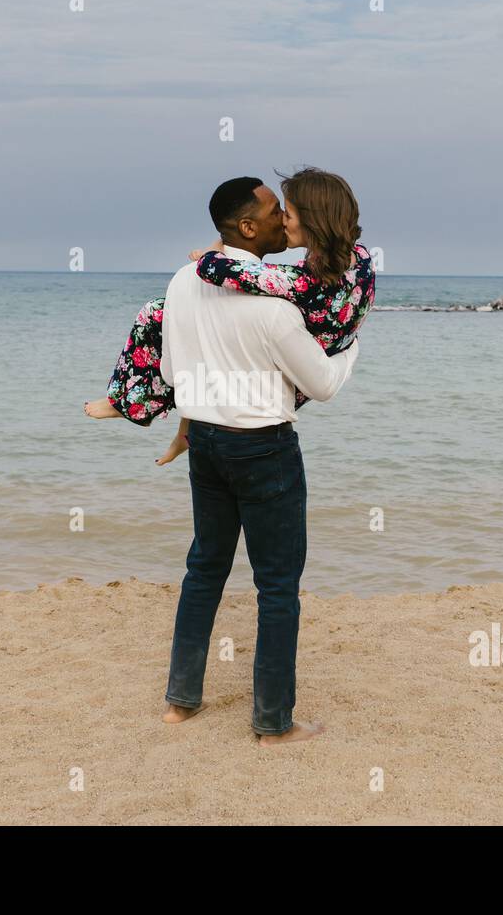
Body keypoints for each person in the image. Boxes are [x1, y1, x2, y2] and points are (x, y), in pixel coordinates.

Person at [148, 174, 363, 744]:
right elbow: (321, 385)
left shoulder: (181, 279)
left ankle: (181, 702)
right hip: (263, 445)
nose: (283, 220)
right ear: (247, 227)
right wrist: (351, 348)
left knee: (204, 569)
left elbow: (170, 374)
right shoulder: (275, 307)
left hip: (207, 444)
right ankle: (272, 722)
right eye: (274, 211)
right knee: (276, 587)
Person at [83, 168, 375, 467]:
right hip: (328, 335)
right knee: (205, 341)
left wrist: (211, 254)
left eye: (288, 212)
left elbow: (215, 269)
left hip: (315, 356)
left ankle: (132, 404)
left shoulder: (301, 283)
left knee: (159, 312)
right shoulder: (360, 256)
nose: (283, 218)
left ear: (314, 220)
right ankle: (172, 425)